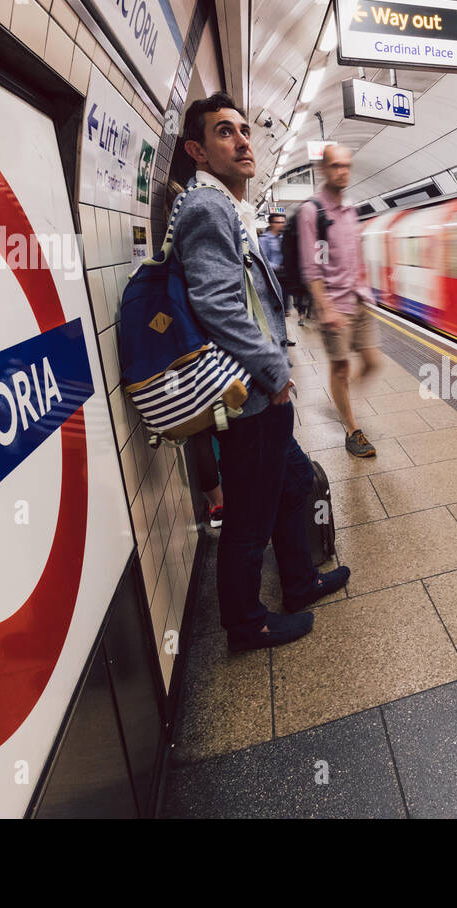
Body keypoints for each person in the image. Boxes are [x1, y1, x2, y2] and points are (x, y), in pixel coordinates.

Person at [175, 92, 349, 651]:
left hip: (257, 392)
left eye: (244, 130)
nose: (243, 140)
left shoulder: (225, 205)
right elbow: (219, 306)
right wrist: (276, 371)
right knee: (249, 519)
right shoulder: (207, 209)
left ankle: (298, 583)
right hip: (248, 395)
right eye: (225, 132)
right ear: (197, 151)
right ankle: (246, 625)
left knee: (293, 483)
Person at [297, 143, 382, 458]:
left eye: (347, 166)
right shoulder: (313, 212)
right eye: (335, 166)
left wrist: (365, 286)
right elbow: (312, 266)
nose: (342, 171)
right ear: (323, 169)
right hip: (334, 305)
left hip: (358, 299)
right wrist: (325, 307)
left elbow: (354, 255)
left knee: (373, 362)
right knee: (341, 368)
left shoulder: (351, 210)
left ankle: (342, 401)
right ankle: (351, 429)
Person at [259, 213, 302, 338]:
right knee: (274, 309)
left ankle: (282, 336)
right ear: (271, 223)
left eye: (283, 222)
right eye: (278, 222)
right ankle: (275, 336)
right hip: (272, 278)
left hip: (283, 279)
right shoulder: (264, 239)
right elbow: (264, 260)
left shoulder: (284, 238)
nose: (281, 225)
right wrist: (278, 267)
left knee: (283, 310)